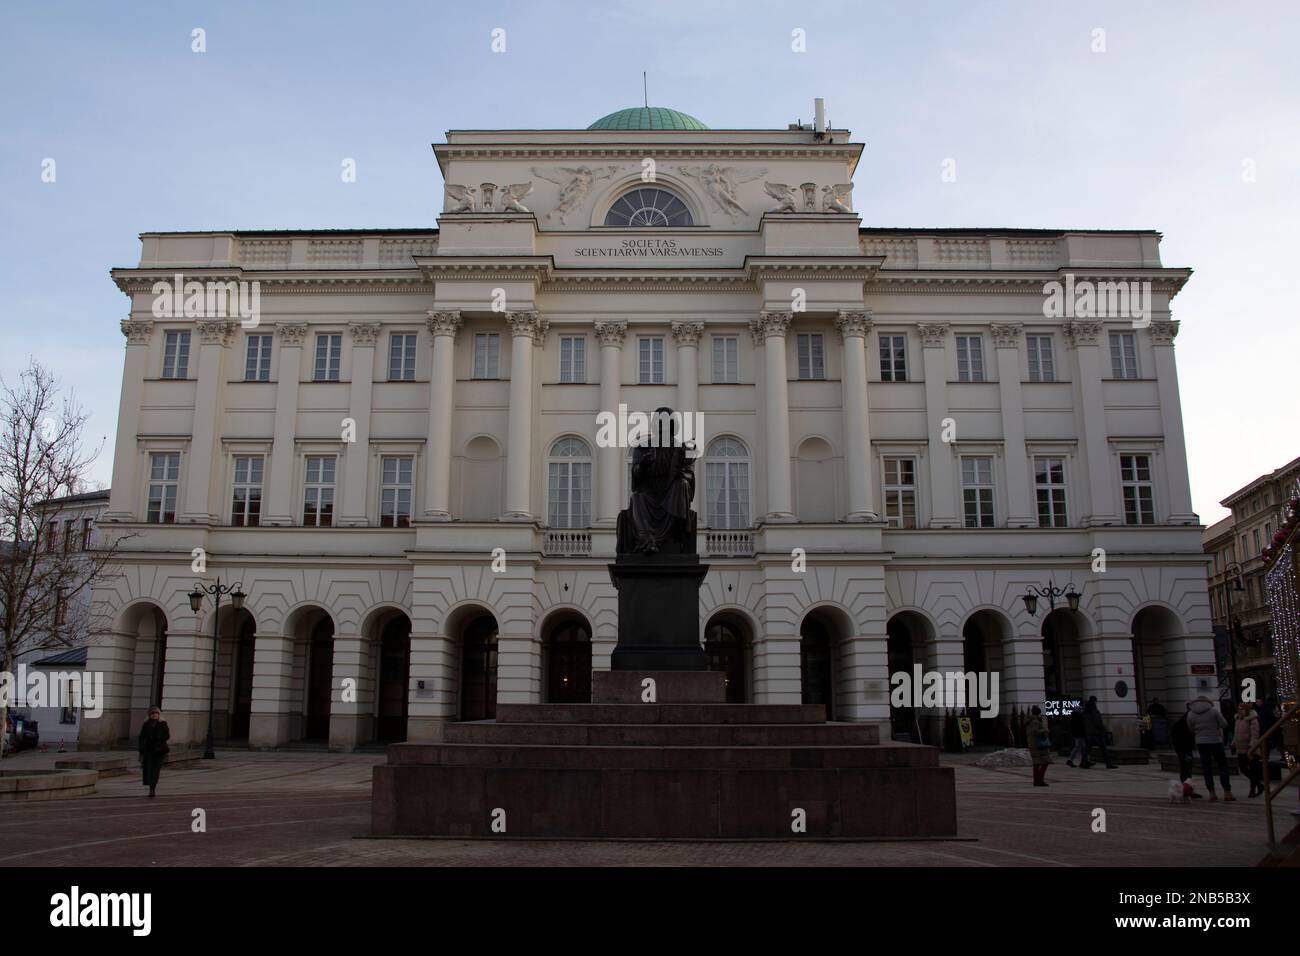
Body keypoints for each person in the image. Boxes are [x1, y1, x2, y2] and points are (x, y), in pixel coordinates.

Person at [1187, 695, 1233, 801]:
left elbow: (1190, 728)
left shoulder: (1190, 713)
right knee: (1222, 766)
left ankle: (1212, 792)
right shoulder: (1213, 711)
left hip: (1201, 743)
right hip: (1215, 741)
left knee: (1207, 768)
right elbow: (1224, 724)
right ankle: (1227, 792)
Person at [138, 706, 170, 798]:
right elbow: (142, 737)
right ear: (149, 715)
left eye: (156, 713)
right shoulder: (146, 724)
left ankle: (152, 789)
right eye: (152, 713)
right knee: (148, 769)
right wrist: (141, 749)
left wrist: (159, 739)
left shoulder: (163, 723)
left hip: (159, 751)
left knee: (155, 770)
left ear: (159, 714)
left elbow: (167, 735)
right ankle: (150, 786)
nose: (154, 715)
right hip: (148, 750)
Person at [1232, 702, 1262, 798]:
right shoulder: (1238, 719)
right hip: (1240, 749)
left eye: (1241, 708)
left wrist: (1251, 746)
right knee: (1243, 768)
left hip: (1250, 750)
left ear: (1246, 710)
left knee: (1253, 770)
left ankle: (1253, 790)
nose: (1239, 710)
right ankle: (1259, 785)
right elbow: (1236, 733)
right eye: (1238, 708)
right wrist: (1233, 743)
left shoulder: (1252, 720)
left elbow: (1255, 735)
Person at [1171, 702, 1201, 798]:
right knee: (1186, 768)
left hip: (1183, 747)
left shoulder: (1186, 718)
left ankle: (1187, 789)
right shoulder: (1187, 718)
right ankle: (1186, 790)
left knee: (1186, 768)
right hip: (1184, 747)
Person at [1083, 696, 1117, 768]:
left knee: (1087, 749)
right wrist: (1103, 730)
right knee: (1104, 749)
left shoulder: (1086, 710)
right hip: (1096, 733)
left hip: (1089, 733)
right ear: (1094, 701)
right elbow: (1097, 721)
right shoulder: (1093, 709)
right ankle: (1108, 763)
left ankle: (1084, 762)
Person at [1026, 705, 1052, 787]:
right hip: (1038, 744)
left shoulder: (1032, 720)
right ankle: (1039, 780)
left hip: (1033, 744)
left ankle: (1037, 780)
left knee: (1037, 763)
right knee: (1045, 762)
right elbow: (1036, 732)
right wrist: (1045, 730)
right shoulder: (1035, 721)